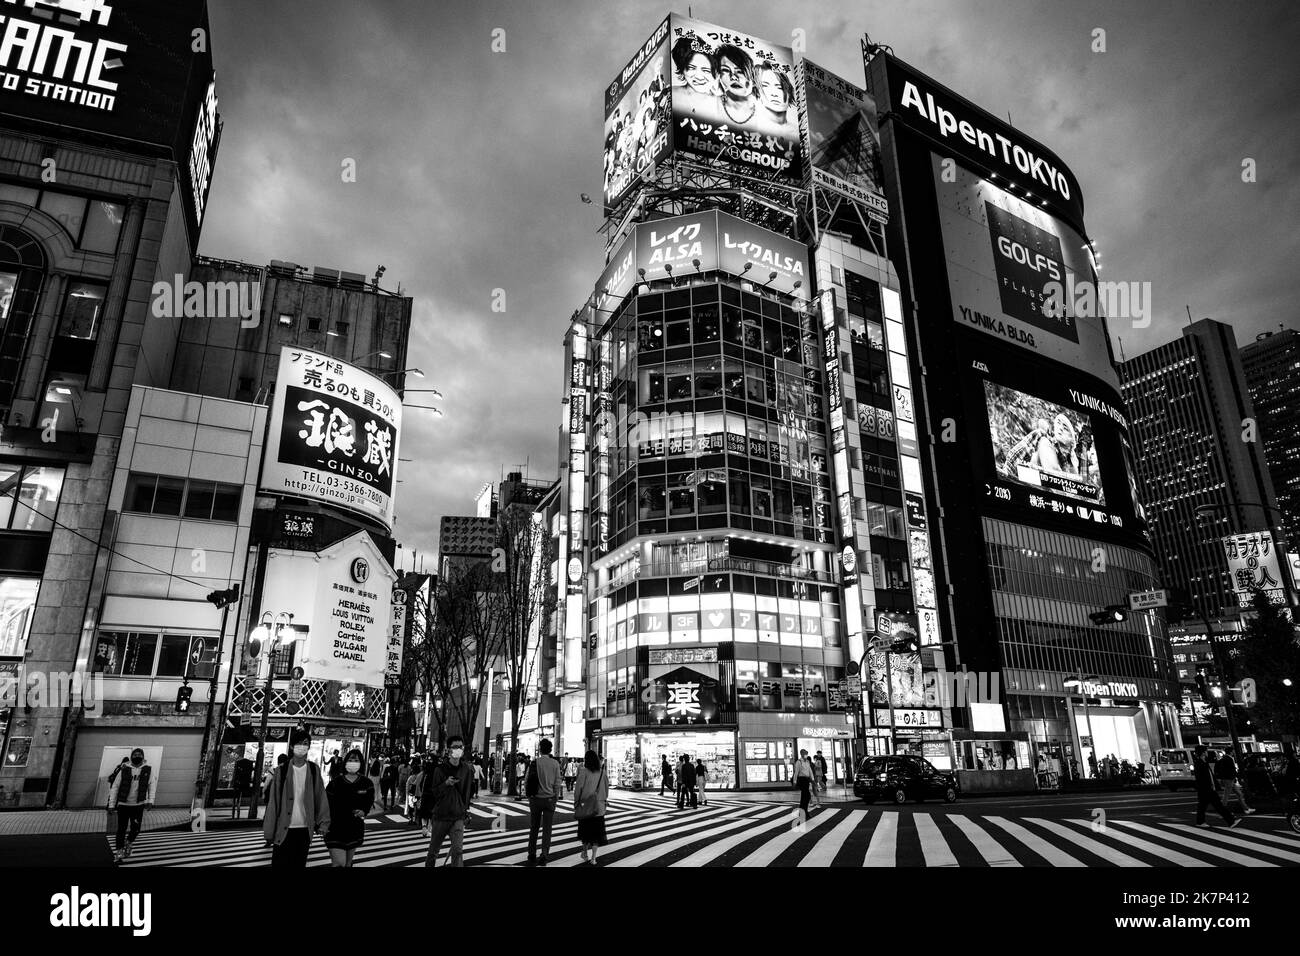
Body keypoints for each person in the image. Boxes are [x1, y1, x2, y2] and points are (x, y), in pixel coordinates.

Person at [263, 729, 330, 868]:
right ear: (292, 746)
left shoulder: (313, 769)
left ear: (309, 747)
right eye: (299, 743)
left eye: (305, 743)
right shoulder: (281, 770)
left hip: (304, 830)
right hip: (283, 829)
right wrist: (269, 831)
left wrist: (323, 822)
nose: (302, 746)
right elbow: (273, 803)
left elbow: (320, 797)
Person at [424, 735, 474, 867]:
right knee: (433, 851)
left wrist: (465, 810)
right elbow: (434, 792)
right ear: (448, 749)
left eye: (460, 747)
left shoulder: (466, 770)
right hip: (441, 815)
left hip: (458, 816)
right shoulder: (439, 770)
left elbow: (467, 793)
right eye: (455, 747)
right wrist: (446, 783)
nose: (458, 749)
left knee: (458, 851)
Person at [324, 749, 373, 867]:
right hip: (334, 828)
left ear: (361, 763)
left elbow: (369, 801)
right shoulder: (335, 783)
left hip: (354, 828)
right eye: (350, 759)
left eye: (356, 760)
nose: (353, 762)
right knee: (339, 864)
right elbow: (325, 804)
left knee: (347, 864)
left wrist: (363, 811)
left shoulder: (367, 783)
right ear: (345, 762)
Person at [107, 748, 156, 863]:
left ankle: (128, 842)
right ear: (131, 756)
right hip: (123, 805)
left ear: (143, 757)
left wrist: (151, 800)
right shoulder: (124, 769)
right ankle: (119, 852)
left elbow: (152, 785)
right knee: (121, 829)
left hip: (138, 805)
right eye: (135, 754)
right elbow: (115, 787)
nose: (137, 756)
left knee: (136, 829)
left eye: (139, 754)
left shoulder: (148, 770)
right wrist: (111, 804)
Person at [525, 738, 563, 866]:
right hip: (549, 799)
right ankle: (544, 854)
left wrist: (529, 795)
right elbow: (558, 783)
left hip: (535, 799)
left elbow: (527, 780)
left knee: (534, 827)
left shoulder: (535, 762)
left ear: (540, 749)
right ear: (550, 749)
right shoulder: (555, 764)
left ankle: (531, 853)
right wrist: (555, 797)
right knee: (547, 829)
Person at [573, 750, 609, 866]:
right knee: (597, 834)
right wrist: (603, 800)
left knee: (585, 831)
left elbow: (578, 789)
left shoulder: (583, 772)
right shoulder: (603, 772)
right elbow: (606, 789)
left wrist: (576, 802)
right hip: (599, 807)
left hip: (586, 806)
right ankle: (593, 858)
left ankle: (584, 852)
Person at [1193, 745, 1241, 829]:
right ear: (1203, 752)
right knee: (1218, 805)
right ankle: (1231, 821)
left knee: (1203, 806)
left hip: (1206, 789)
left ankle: (1200, 822)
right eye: (1205, 751)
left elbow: (1209, 775)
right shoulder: (1199, 763)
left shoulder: (1203, 761)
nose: (1207, 752)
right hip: (1207, 789)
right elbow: (1201, 777)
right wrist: (1211, 786)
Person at [793, 749, 817, 819]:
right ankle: (803, 812)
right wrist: (794, 782)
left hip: (807, 780)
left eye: (807, 753)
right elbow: (796, 772)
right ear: (801, 754)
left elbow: (810, 771)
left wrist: (813, 780)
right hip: (801, 780)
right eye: (805, 753)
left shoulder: (807, 762)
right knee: (806, 796)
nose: (806, 755)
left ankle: (803, 812)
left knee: (805, 797)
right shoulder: (799, 762)